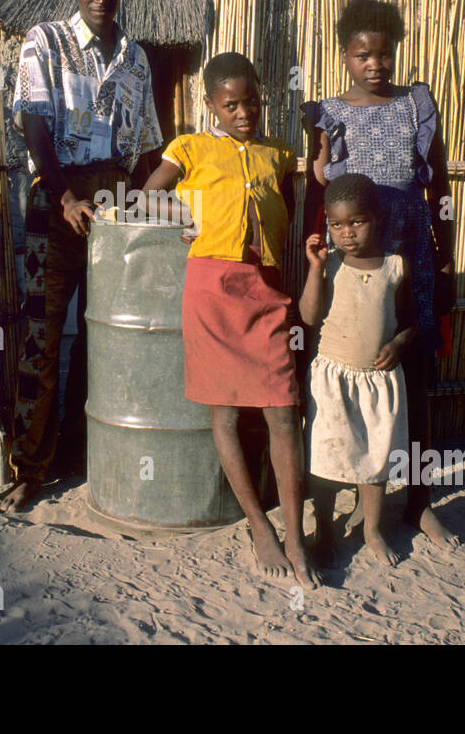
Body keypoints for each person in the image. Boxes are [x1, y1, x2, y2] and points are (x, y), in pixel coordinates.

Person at [141, 52, 321, 588]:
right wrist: (187, 218)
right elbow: (148, 196)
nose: (244, 113)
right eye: (231, 105)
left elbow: (286, 213)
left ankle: (295, 535)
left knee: (284, 412)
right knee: (223, 414)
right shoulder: (189, 148)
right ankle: (258, 526)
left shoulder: (279, 154)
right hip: (210, 291)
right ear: (211, 104)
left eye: (253, 102)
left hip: (264, 289)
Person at [0, 0, 162, 513]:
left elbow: (145, 143)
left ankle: (87, 450)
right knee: (42, 337)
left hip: (115, 199)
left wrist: (143, 205)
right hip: (55, 197)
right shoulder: (44, 42)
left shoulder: (135, 57)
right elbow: (36, 125)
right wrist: (63, 196)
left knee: (107, 334)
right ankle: (31, 467)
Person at [301, 0, 460, 550]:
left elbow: (437, 184)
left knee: (413, 384)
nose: (375, 65)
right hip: (349, 275)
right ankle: (337, 510)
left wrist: (445, 258)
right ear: (344, 54)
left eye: (384, 54)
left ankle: (417, 503)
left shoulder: (415, 106)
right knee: (343, 389)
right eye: (363, 55)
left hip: (409, 261)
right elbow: (314, 190)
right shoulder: (328, 115)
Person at [300, 173, 415, 567]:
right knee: (327, 459)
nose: (346, 233)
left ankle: (372, 529)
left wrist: (399, 343)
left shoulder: (396, 267)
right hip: (332, 379)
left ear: (377, 218)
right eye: (336, 225)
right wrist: (315, 269)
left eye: (357, 222)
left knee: (376, 457)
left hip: (378, 381)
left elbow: (412, 320)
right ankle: (326, 528)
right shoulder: (330, 265)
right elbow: (309, 316)